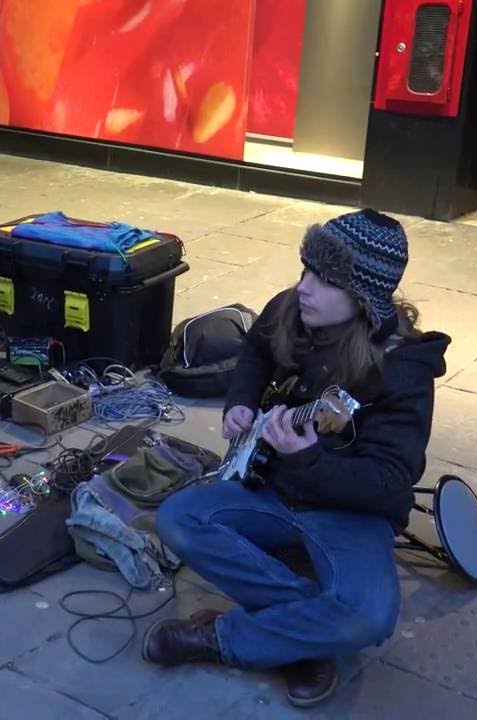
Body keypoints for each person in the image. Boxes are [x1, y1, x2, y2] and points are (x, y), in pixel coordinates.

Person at [147, 210, 451, 709]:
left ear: (364, 297)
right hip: (273, 486)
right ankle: (307, 636)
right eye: (305, 269)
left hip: (351, 514)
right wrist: (241, 400)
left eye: (325, 279)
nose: (304, 287)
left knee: (369, 618)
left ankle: (222, 638)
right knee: (178, 518)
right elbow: (256, 350)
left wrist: (310, 458)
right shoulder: (293, 309)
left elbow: (391, 482)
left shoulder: (403, 371)